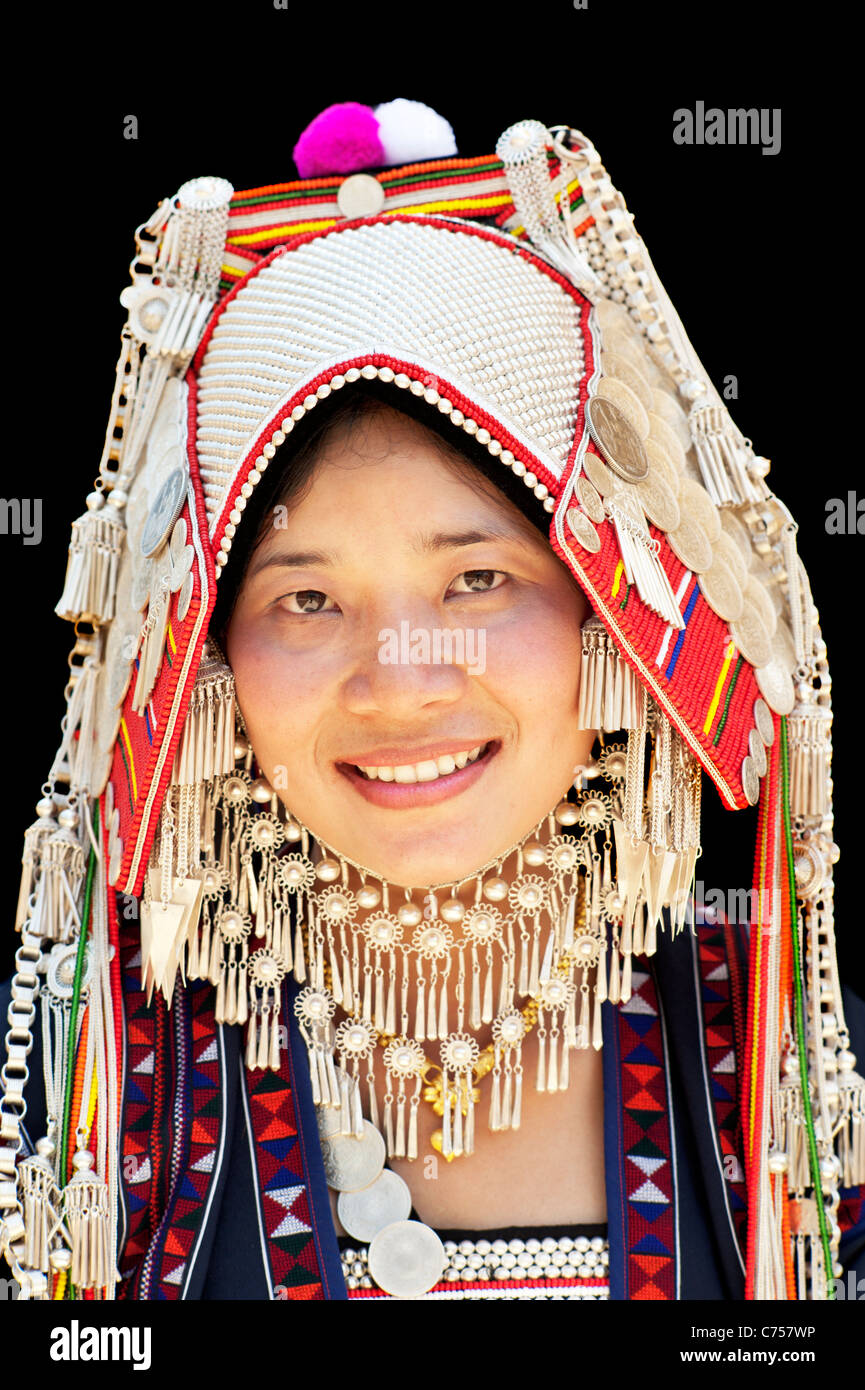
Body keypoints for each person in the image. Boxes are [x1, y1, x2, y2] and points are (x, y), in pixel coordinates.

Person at [1, 100, 862, 1302]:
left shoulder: (793, 1082)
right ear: (209, 659)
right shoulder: (84, 1089)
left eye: (477, 578)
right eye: (306, 600)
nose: (399, 679)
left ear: (613, 615)